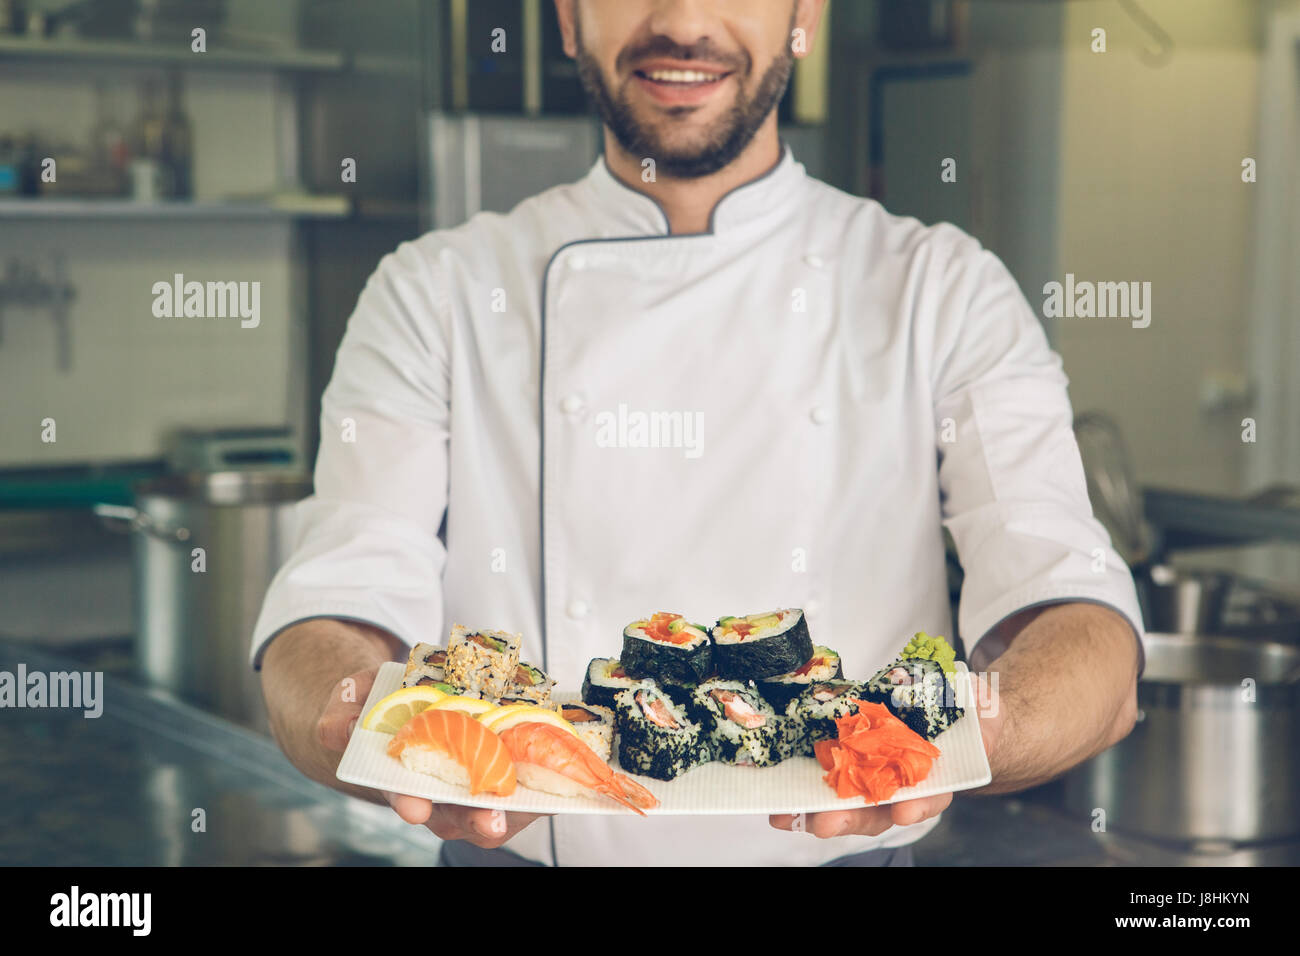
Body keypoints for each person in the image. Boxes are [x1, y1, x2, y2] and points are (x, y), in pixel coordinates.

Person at [253, 0, 1143, 867]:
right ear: (566, 17)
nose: (682, 20)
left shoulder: (942, 289)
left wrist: (971, 732)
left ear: (808, 15)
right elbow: (334, 607)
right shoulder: (434, 291)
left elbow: (1077, 618)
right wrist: (356, 721)